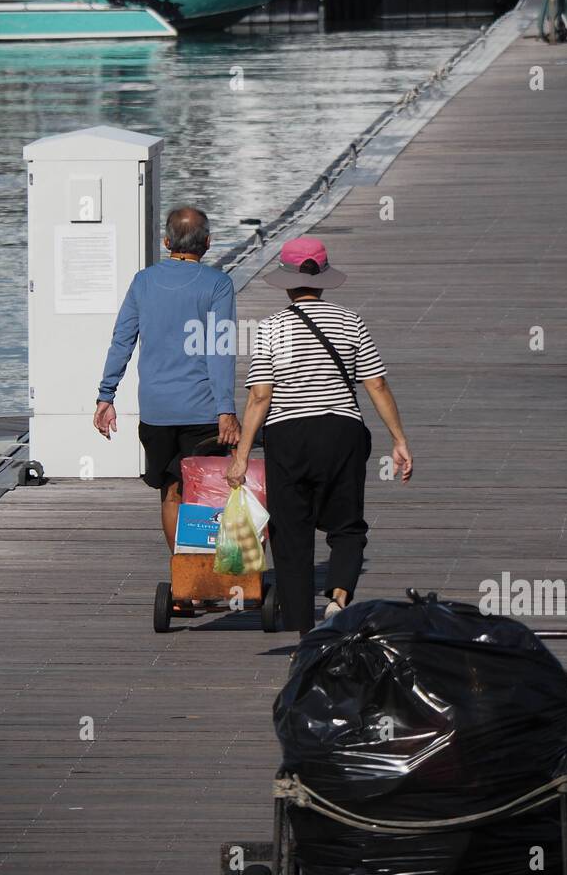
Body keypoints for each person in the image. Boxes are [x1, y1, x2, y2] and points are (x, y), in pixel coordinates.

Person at [226, 237, 413, 635]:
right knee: (347, 524)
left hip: (288, 436)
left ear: (287, 283)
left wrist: (242, 456)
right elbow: (376, 385)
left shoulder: (271, 328)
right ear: (324, 279)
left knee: (291, 532)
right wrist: (399, 440)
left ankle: (302, 630)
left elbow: (261, 395)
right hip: (341, 432)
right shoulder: (351, 321)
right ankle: (339, 597)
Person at [95, 207, 240, 550]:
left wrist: (106, 396)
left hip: (157, 411)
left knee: (171, 492)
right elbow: (220, 350)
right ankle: (205, 569)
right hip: (203, 410)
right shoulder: (218, 284)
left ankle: (182, 575)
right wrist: (226, 409)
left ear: (166, 242)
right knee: (206, 492)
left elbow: (122, 339)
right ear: (207, 242)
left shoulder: (143, 281)